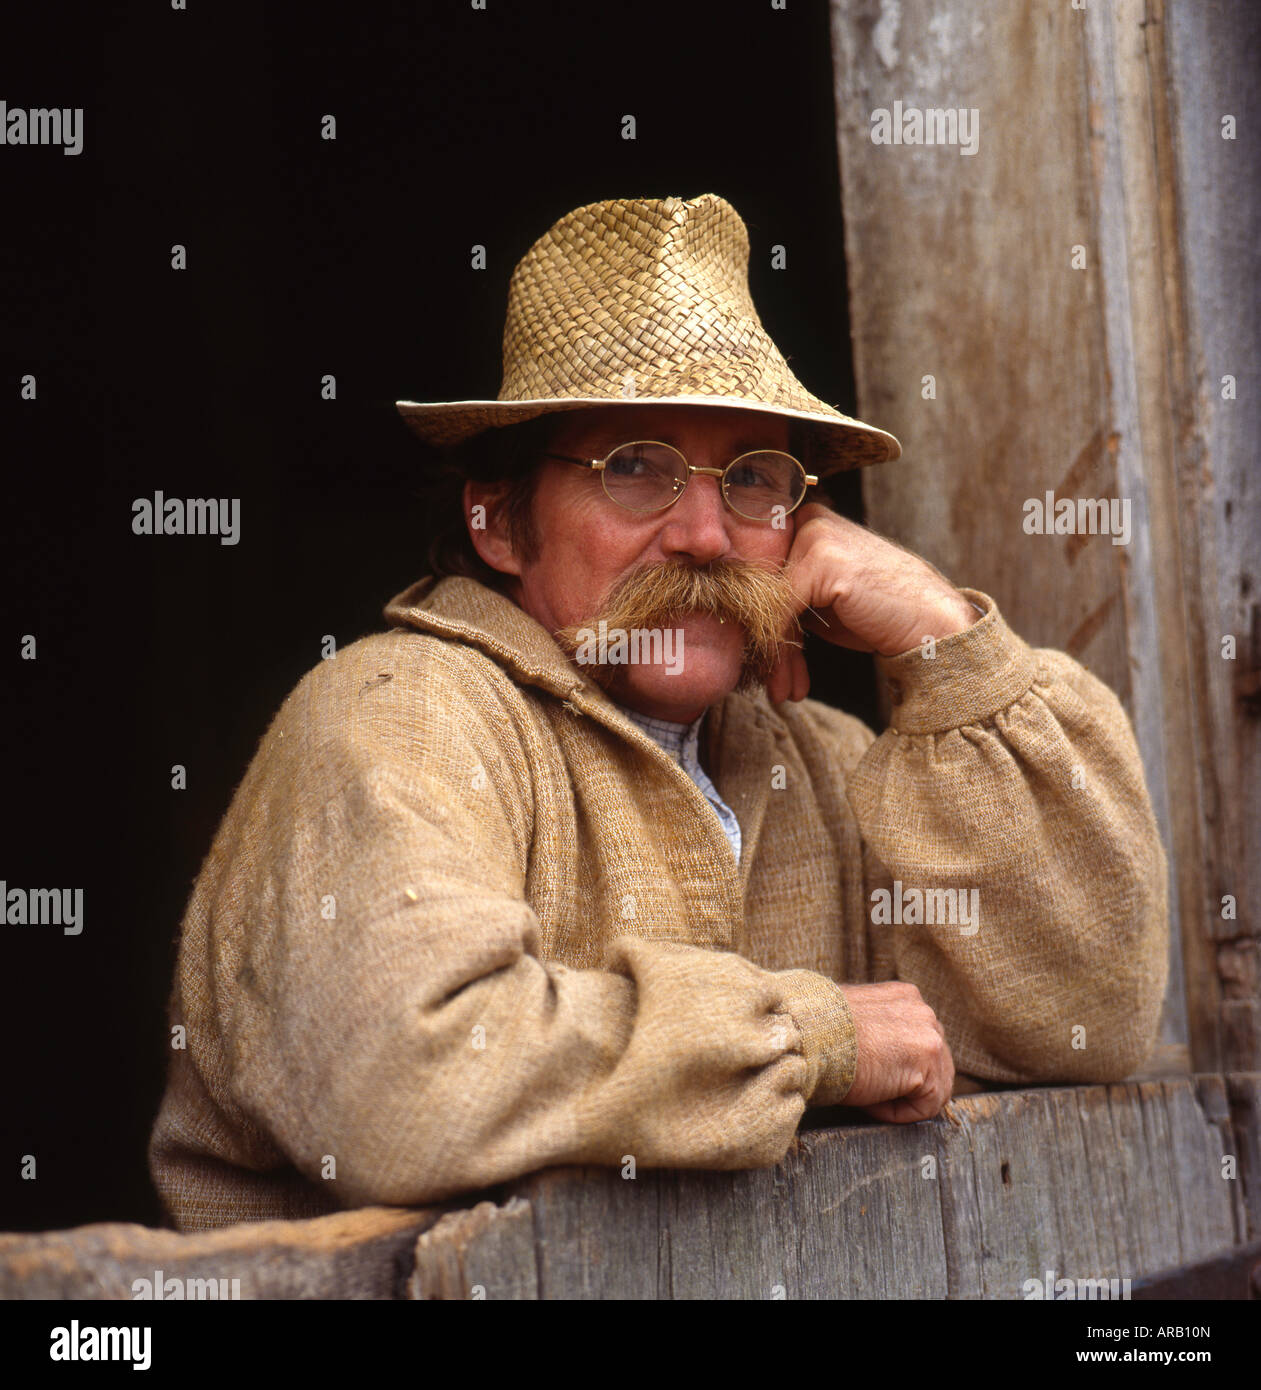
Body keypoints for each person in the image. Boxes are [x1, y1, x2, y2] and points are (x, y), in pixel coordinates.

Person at [148, 193, 1169, 1231]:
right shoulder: (398, 715)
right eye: (634, 465)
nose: (706, 534)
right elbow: (408, 1083)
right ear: (497, 520)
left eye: (754, 478)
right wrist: (814, 1037)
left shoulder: (826, 762)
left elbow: (1084, 1018)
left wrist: (944, 645)